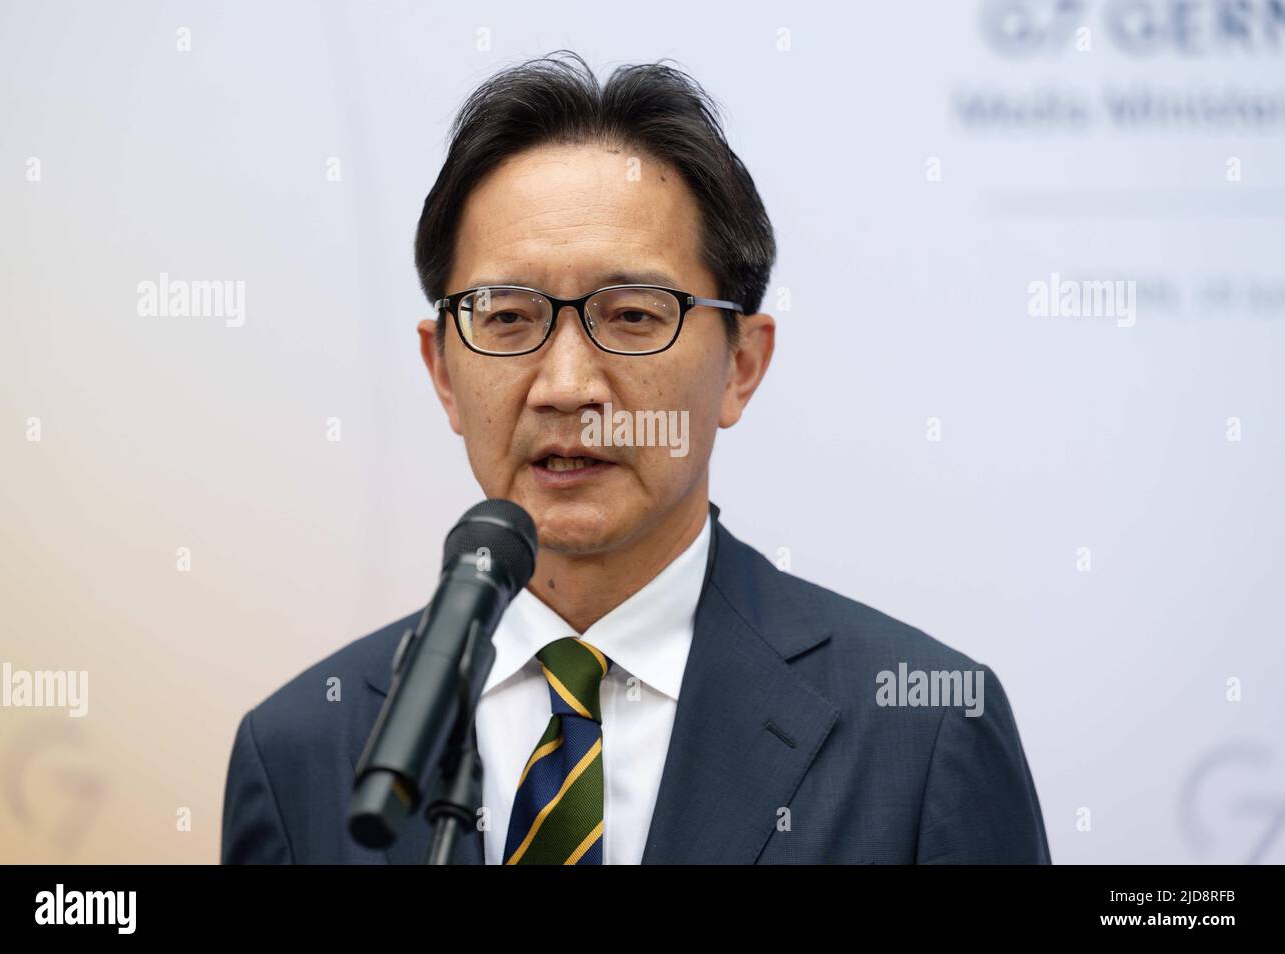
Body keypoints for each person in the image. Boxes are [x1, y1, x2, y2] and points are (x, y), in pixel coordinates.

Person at [221, 50, 1051, 865]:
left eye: (631, 315)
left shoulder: (922, 733)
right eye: (508, 317)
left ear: (742, 366)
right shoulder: (303, 750)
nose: (567, 385)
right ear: (443, 369)